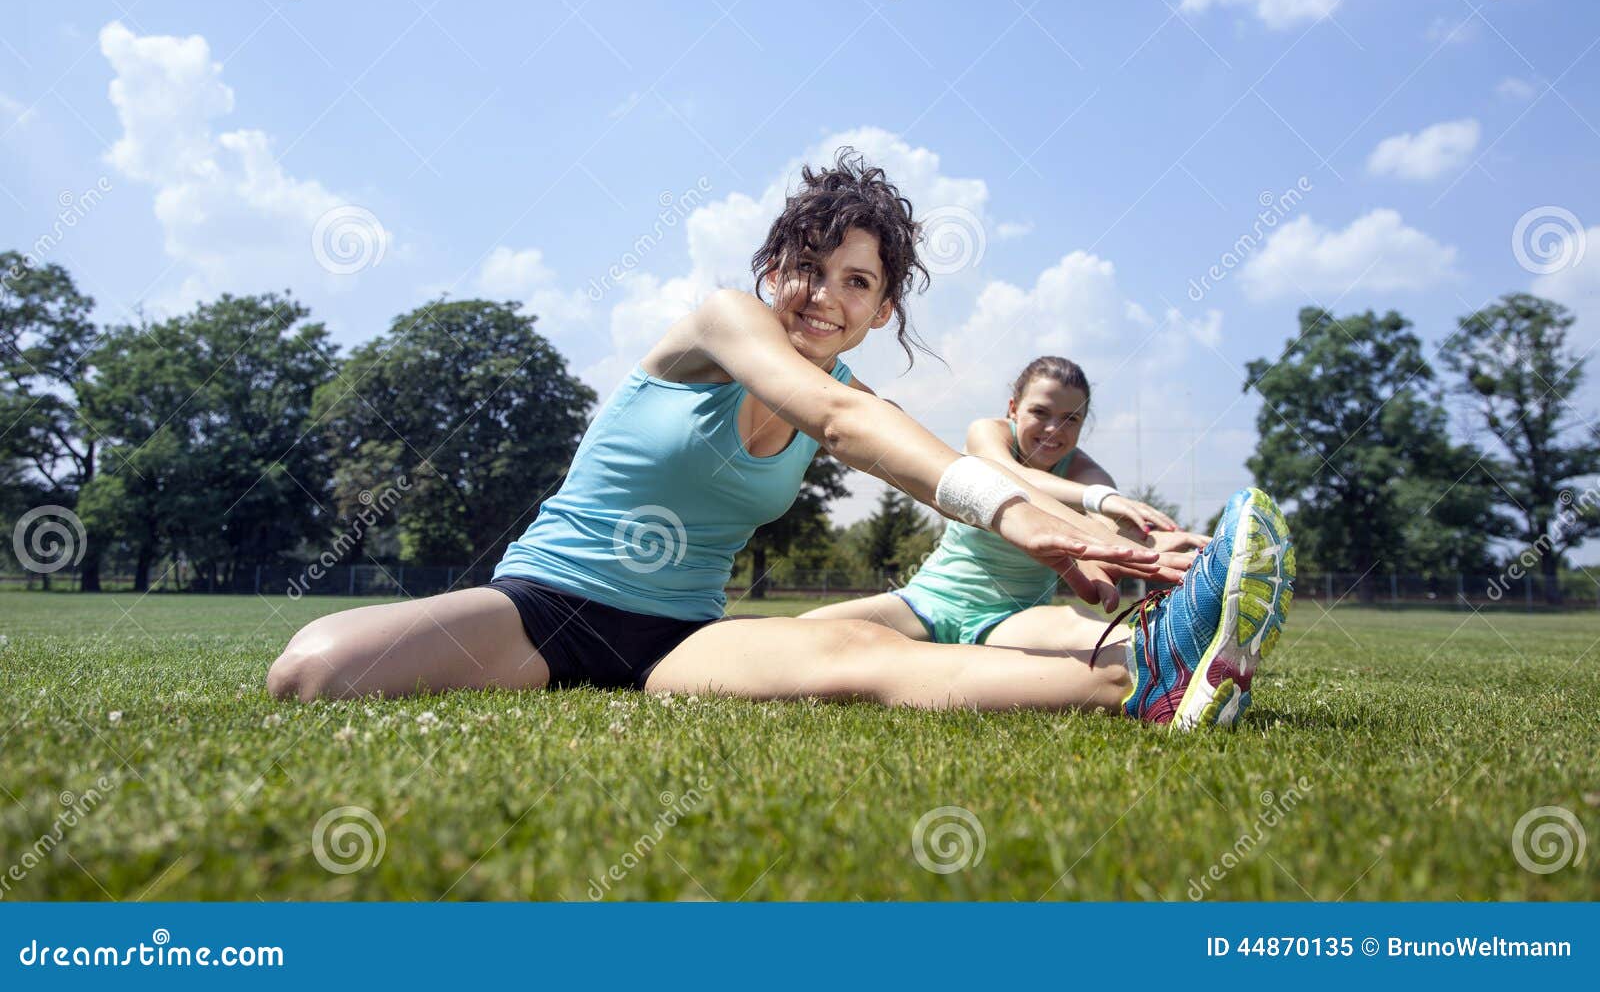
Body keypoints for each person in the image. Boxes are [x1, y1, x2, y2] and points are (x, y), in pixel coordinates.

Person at [268, 152, 1288, 728]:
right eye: (808, 265)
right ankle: (1149, 666)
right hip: (545, 604)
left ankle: (1147, 673)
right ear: (770, 267)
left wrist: (1094, 514)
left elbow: (905, 444)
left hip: (677, 638)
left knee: (864, 651)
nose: (824, 296)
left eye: (858, 283)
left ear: (881, 310)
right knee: (312, 669)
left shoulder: (846, 388)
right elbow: (841, 419)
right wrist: (1024, 513)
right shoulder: (719, 324)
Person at [801, 356, 1211, 652]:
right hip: (925, 602)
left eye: (1071, 419)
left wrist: (1154, 546)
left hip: (1012, 619)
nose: (1054, 429)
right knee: (802, 634)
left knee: (1104, 643)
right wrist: (1101, 498)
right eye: (1040, 412)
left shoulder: (1087, 472)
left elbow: (1101, 533)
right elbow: (1003, 473)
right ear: (1013, 409)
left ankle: (1196, 634)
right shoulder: (987, 433)